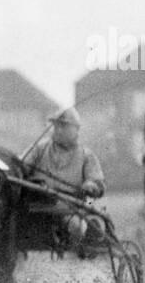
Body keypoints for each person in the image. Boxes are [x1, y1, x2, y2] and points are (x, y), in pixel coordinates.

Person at [26, 106, 106, 249]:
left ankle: (73, 258)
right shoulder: (39, 149)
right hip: (36, 210)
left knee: (79, 226)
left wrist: (90, 188)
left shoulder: (86, 155)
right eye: (55, 126)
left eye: (63, 126)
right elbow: (19, 166)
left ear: (76, 129)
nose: (57, 130)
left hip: (72, 211)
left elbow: (97, 186)